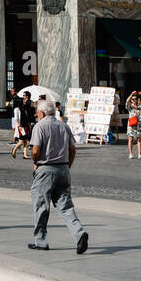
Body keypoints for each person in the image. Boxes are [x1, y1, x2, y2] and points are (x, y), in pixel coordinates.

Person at [28, 99, 88, 254]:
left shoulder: (39, 126)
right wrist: (68, 165)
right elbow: (73, 149)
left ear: (41, 113)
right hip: (63, 169)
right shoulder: (64, 126)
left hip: (45, 169)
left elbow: (35, 150)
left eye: (37, 112)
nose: (36, 115)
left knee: (41, 205)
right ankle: (79, 232)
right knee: (65, 206)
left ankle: (40, 241)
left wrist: (35, 162)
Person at [126, 90, 141, 160]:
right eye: (133, 99)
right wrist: (131, 94)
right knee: (130, 139)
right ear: (131, 100)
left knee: (139, 139)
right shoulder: (129, 107)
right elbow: (127, 101)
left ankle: (139, 154)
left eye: (136, 99)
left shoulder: (139, 106)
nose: (134, 100)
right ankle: (130, 153)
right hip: (131, 125)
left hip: (138, 125)